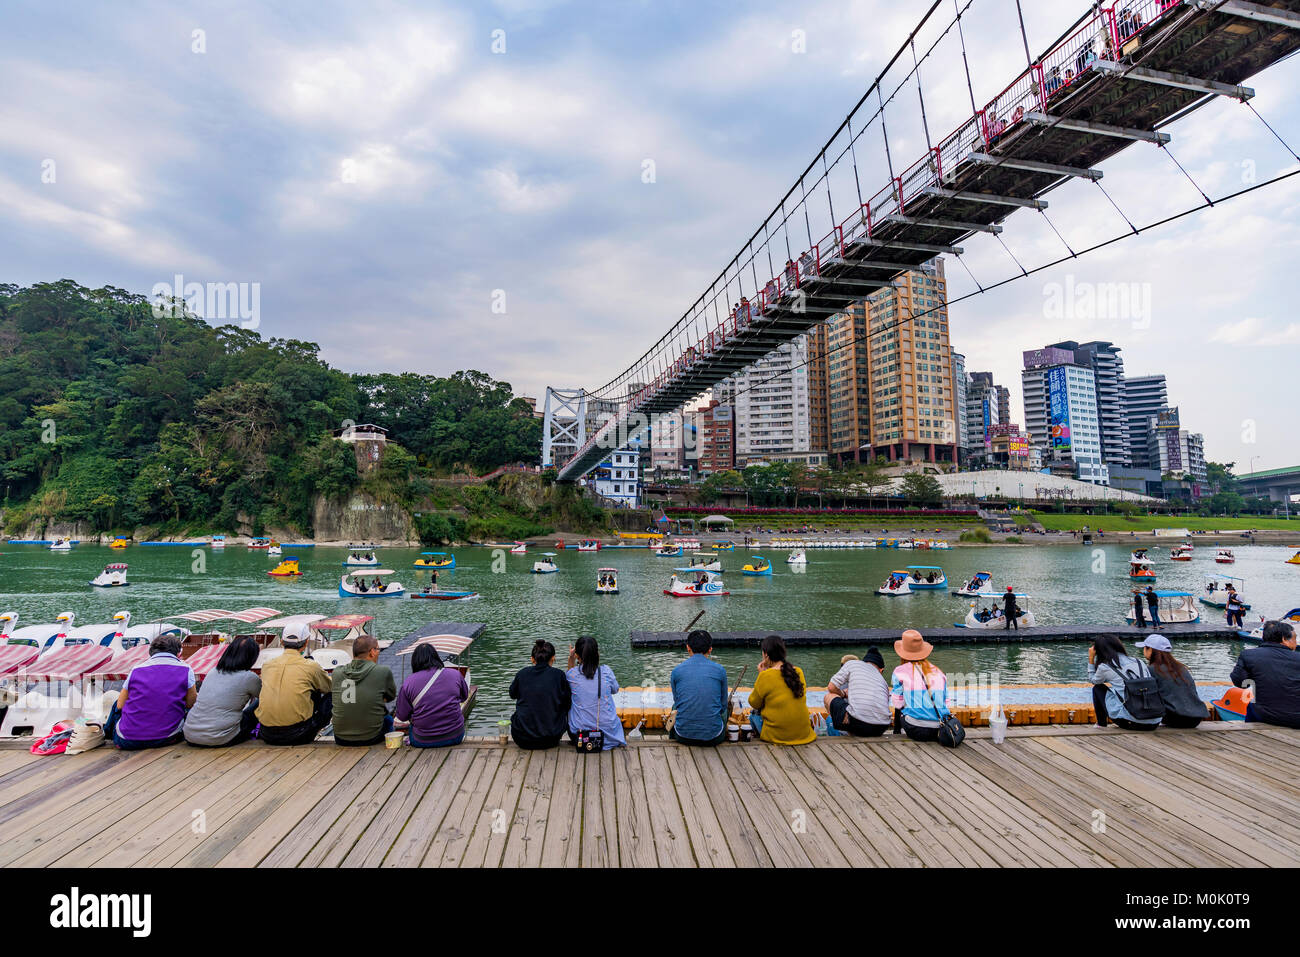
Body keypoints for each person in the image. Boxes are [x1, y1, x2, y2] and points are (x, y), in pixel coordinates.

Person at [104, 632, 197, 750]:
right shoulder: (186, 669)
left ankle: (106, 734)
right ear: (179, 653)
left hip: (127, 740)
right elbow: (191, 703)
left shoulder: (137, 669)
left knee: (116, 703)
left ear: (150, 652)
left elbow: (120, 705)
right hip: (167, 737)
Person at [256, 630, 333, 745]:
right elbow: (330, 687)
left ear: (282, 642)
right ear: (306, 643)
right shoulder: (310, 666)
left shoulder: (267, 665)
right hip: (298, 734)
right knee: (334, 694)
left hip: (267, 734)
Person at [183, 635, 262, 747]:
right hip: (220, 737)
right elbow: (267, 698)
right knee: (259, 704)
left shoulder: (212, 671)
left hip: (190, 734)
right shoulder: (249, 678)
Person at [395, 642, 468, 748]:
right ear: (436, 657)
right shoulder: (455, 674)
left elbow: (402, 716)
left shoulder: (409, 682)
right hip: (455, 736)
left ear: (415, 661)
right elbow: (464, 697)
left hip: (422, 740)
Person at [1230, 620, 1300, 728]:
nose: (1296, 642)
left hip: (1265, 716)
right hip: (1297, 719)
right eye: (1294, 638)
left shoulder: (1248, 655)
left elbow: (1240, 682)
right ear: (1284, 639)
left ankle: (1251, 735)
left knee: (1252, 706)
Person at [331, 633, 397, 746]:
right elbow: (390, 697)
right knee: (389, 720)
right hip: (371, 736)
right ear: (372, 652)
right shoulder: (382, 671)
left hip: (340, 737)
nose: (378, 652)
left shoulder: (337, 673)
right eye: (378, 649)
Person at [747, 635, 814, 745]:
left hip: (777, 736)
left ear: (766, 655)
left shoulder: (765, 676)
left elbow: (754, 703)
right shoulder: (798, 671)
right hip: (804, 734)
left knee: (753, 714)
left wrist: (761, 674)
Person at [668, 629, 730, 746]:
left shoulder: (676, 671)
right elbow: (723, 706)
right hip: (714, 737)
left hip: (682, 736)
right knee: (725, 710)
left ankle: (671, 738)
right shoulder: (720, 670)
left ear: (688, 648)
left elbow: (678, 701)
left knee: (674, 706)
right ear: (710, 649)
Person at [889, 630, 952, 742]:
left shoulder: (899, 671)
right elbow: (946, 702)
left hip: (916, 729)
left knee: (900, 702)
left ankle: (896, 732)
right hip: (940, 729)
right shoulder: (938, 672)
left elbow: (898, 704)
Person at [1088, 635, 1161, 731]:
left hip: (1133, 722)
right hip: (1155, 721)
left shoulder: (1105, 667)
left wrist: (1091, 658)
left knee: (1098, 689)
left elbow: (1093, 680)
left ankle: (1101, 724)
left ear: (1099, 651)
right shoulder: (1139, 662)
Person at [509, 639, 572, 749]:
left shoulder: (522, 673)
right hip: (552, 738)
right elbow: (568, 703)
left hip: (522, 738)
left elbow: (512, 694)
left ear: (532, 659)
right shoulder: (559, 675)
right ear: (553, 658)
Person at [566, 636, 625, 749]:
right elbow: (615, 689)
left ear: (577, 655)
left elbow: (567, 684)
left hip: (580, 736)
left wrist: (571, 658)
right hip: (609, 736)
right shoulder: (606, 672)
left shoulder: (572, 675)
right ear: (597, 654)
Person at [1138, 635, 1204, 728]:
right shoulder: (1181, 668)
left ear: (1151, 650)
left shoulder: (1151, 669)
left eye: (1145, 648)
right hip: (1196, 719)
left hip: (1175, 718)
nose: (1143, 650)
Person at [824, 646, 891, 737]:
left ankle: (844, 733)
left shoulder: (852, 664)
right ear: (881, 669)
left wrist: (843, 694)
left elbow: (831, 687)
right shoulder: (883, 682)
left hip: (859, 724)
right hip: (881, 728)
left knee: (829, 696)